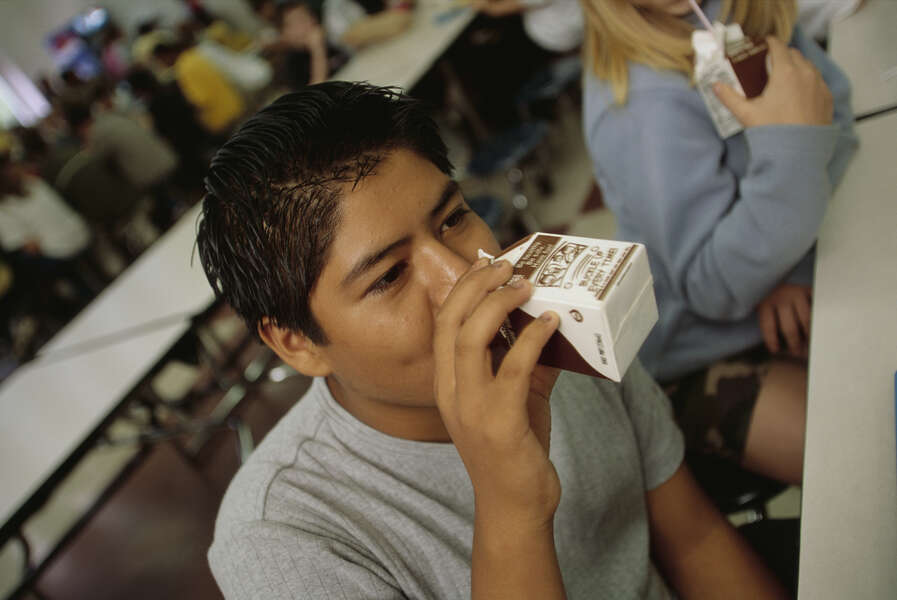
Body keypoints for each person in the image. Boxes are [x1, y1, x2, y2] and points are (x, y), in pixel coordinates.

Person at [199, 82, 790, 599]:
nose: (463, 278)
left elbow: (694, 539)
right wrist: (510, 504)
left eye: (453, 219)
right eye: (388, 277)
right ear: (297, 344)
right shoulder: (282, 539)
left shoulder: (559, 332)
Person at [580, 0, 857, 484]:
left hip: (778, 273)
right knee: (862, 461)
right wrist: (774, 250)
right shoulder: (635, 108)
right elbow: (710, 286)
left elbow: (837, 124)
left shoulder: (742, 16)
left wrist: (784, 263)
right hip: (697, 348)